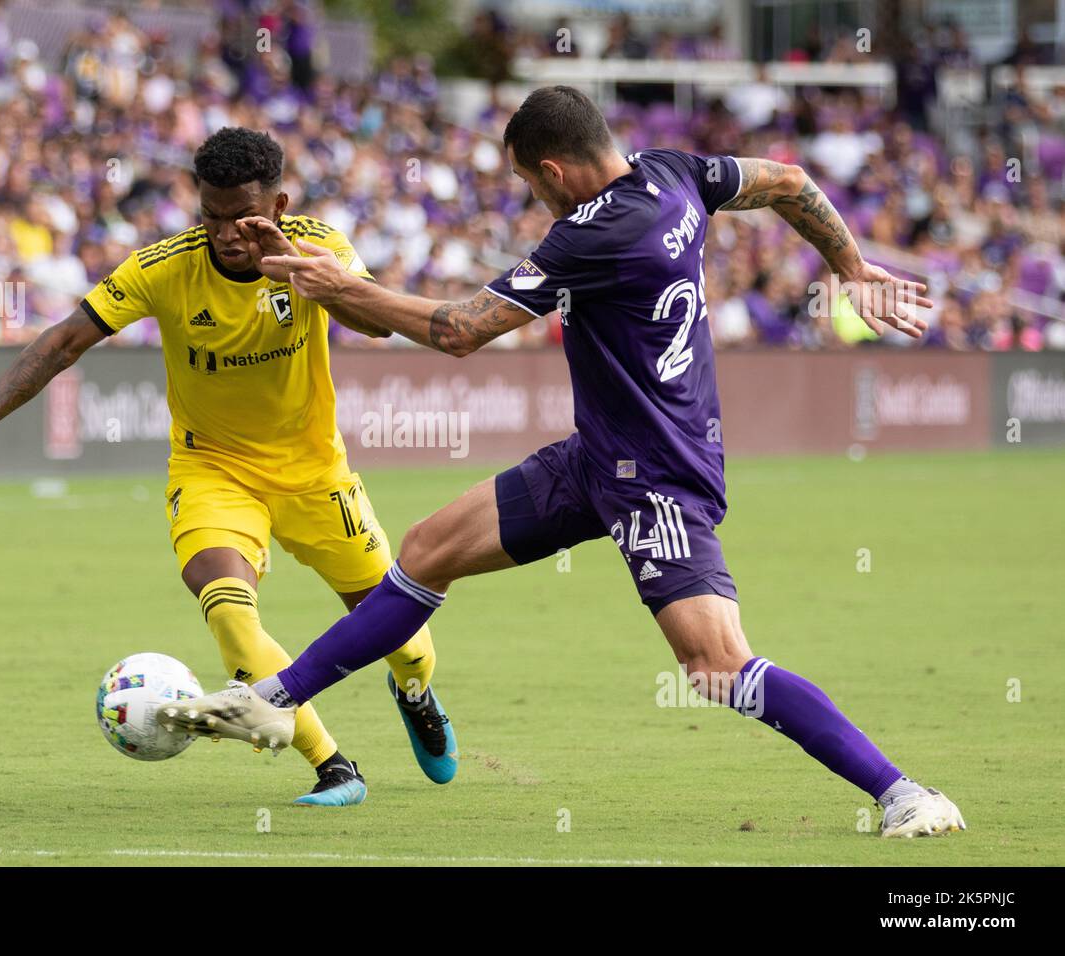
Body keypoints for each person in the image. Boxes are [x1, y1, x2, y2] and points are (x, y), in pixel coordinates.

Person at [163, 87, 965, 839]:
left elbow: (457, 330)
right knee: (426, 550)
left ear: (552, 170)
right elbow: (788, 181)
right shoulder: (676, 173)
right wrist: (851, 268)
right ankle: (274, 700)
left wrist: (332, 282)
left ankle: (904, 794)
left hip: (654, 476)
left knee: (716, 667)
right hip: (598, 458)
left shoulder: (592, 234)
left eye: (529, 183)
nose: (533, 200)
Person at [0, 128, 457, 806]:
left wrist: (306, 272)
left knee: (398, 630)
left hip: (315, 473)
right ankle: (333, 765)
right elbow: (64, 341)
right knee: (227, 609)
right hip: (212, 471)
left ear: (280, 204)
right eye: (212, 216)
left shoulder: (321, 246)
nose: (227, 233)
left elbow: (376, 326)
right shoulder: (164, 267)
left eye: (244, 217)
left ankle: (415, 691)